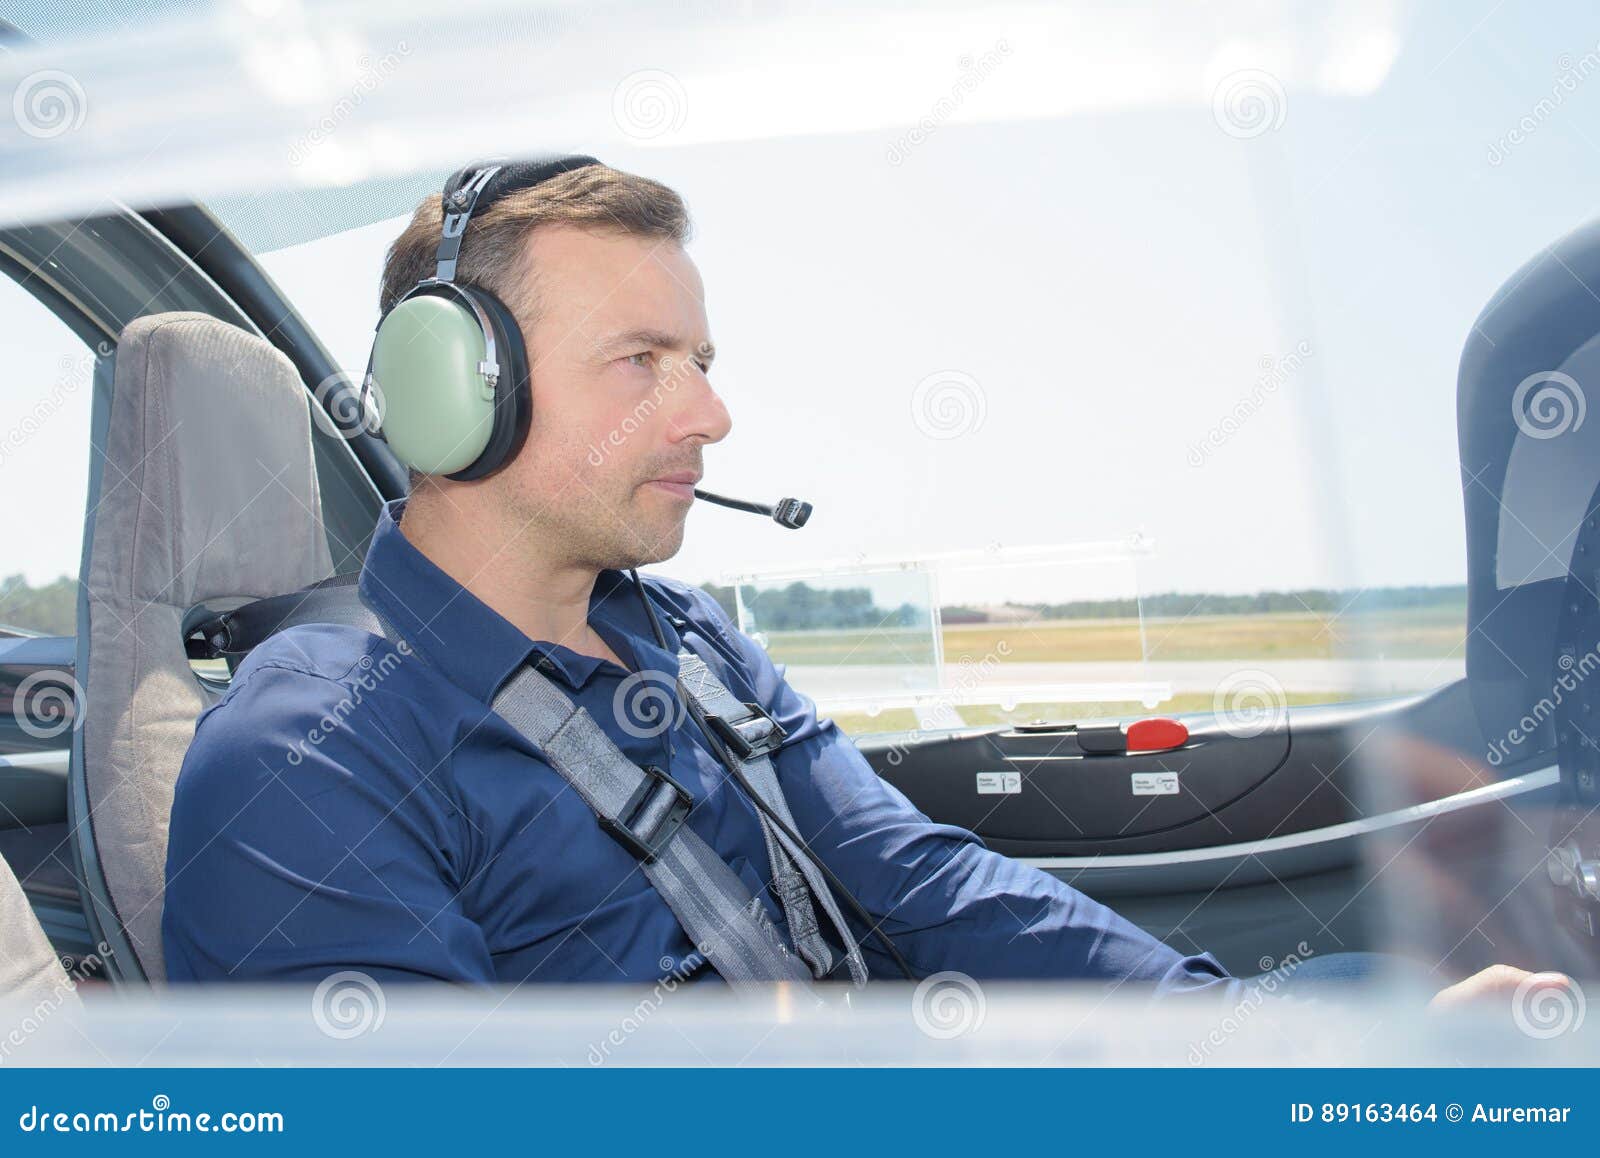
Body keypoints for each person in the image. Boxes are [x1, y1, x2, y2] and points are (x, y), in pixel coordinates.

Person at [160, 159, 1565, 1013]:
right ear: (451, 392)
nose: (709, 419)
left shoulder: (691, 643)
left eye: (703, 362)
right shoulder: (308, 759)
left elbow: (925, 878)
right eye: (644, 360)